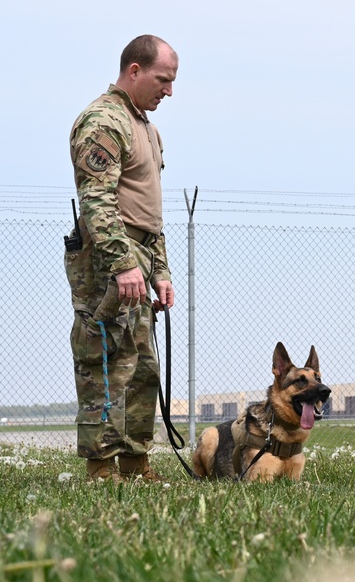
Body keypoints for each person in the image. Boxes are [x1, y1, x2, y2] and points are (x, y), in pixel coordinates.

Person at [64, 35, 178, 482]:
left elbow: (149, 211)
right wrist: (122, 263)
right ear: (134, 70)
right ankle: (100, 468)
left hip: (139, 255)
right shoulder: (104, 121)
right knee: (105, 360)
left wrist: (160, 270)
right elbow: (97, 200)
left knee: (142, 364)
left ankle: (135, 463)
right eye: (163, 79)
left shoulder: (146, 128)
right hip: (109, 259)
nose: (169, 91)